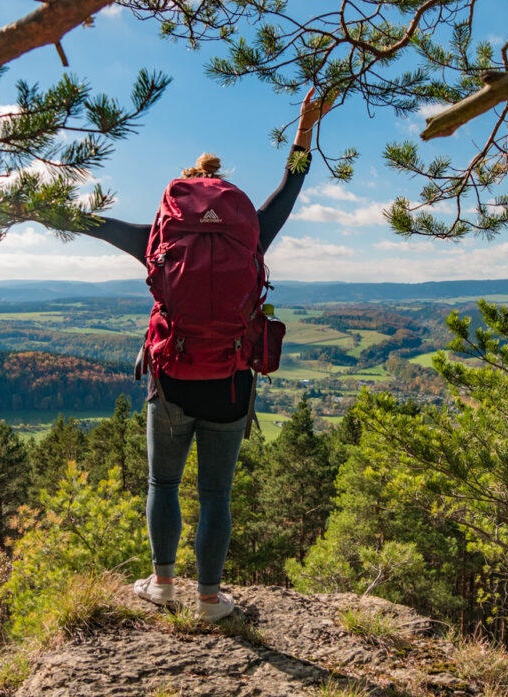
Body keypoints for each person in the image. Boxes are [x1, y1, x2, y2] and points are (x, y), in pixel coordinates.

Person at [79, 90, 329, 621]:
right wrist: (306, 125)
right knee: (216, 495)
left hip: (171, 378)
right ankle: (211, 602)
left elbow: (88, 224)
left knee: (163, 484)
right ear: (224, 192)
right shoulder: (252, 231)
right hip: (232, 380)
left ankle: (162, 586)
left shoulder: (158, 236)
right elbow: (293, 184)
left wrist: (25, 202)